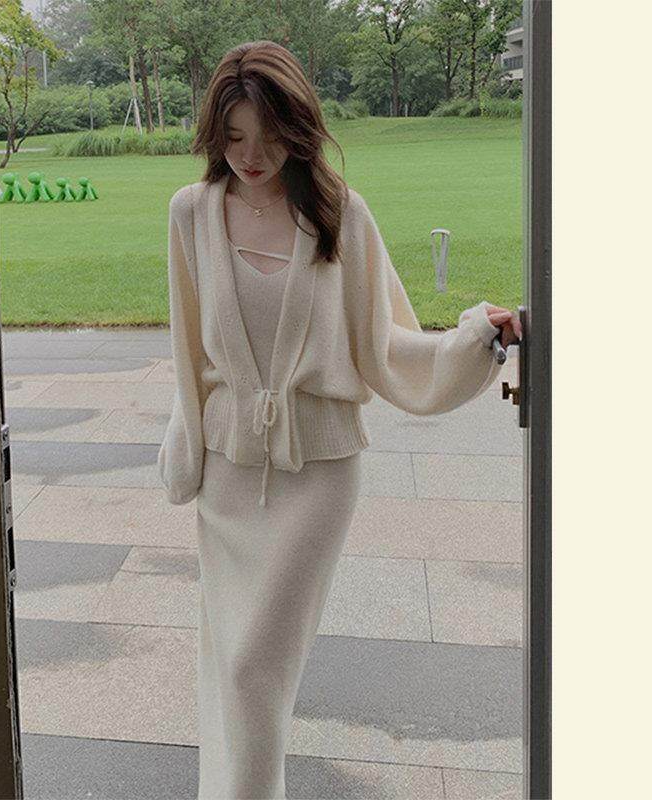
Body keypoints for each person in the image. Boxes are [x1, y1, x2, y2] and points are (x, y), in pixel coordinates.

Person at [157, 40, 521, 800]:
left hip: (318, 475)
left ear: (299, 128)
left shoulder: (341, 215)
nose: (250, 156)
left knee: (257, 667)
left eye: (268, 136)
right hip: (228, 475)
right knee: (228, 664)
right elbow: (187, 349)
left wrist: (472, 338)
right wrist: (188, 452)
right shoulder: (190, 213)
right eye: (233, 136)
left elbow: (384, 344)